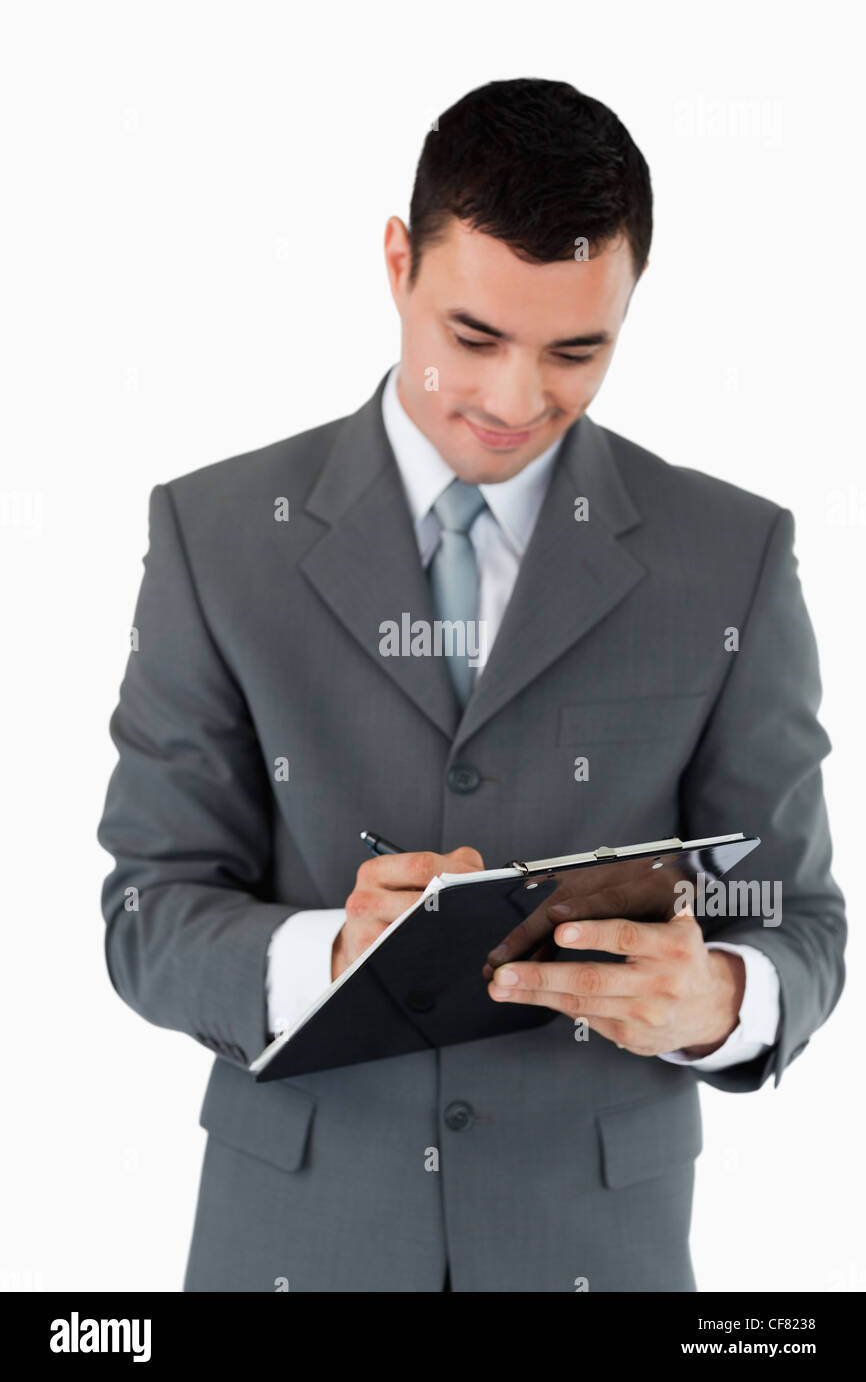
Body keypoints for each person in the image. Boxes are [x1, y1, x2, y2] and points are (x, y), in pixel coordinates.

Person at [97, 78, 846, 1292]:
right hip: (294, 1245)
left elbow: (799, 919)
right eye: (472, 337)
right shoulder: (216, 535)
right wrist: (328, 954)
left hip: (594, 1252)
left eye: (574, 350)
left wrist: (717, 996)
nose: (513, 401)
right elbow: (146, 913)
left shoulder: (731, 557)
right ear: (398, 264)